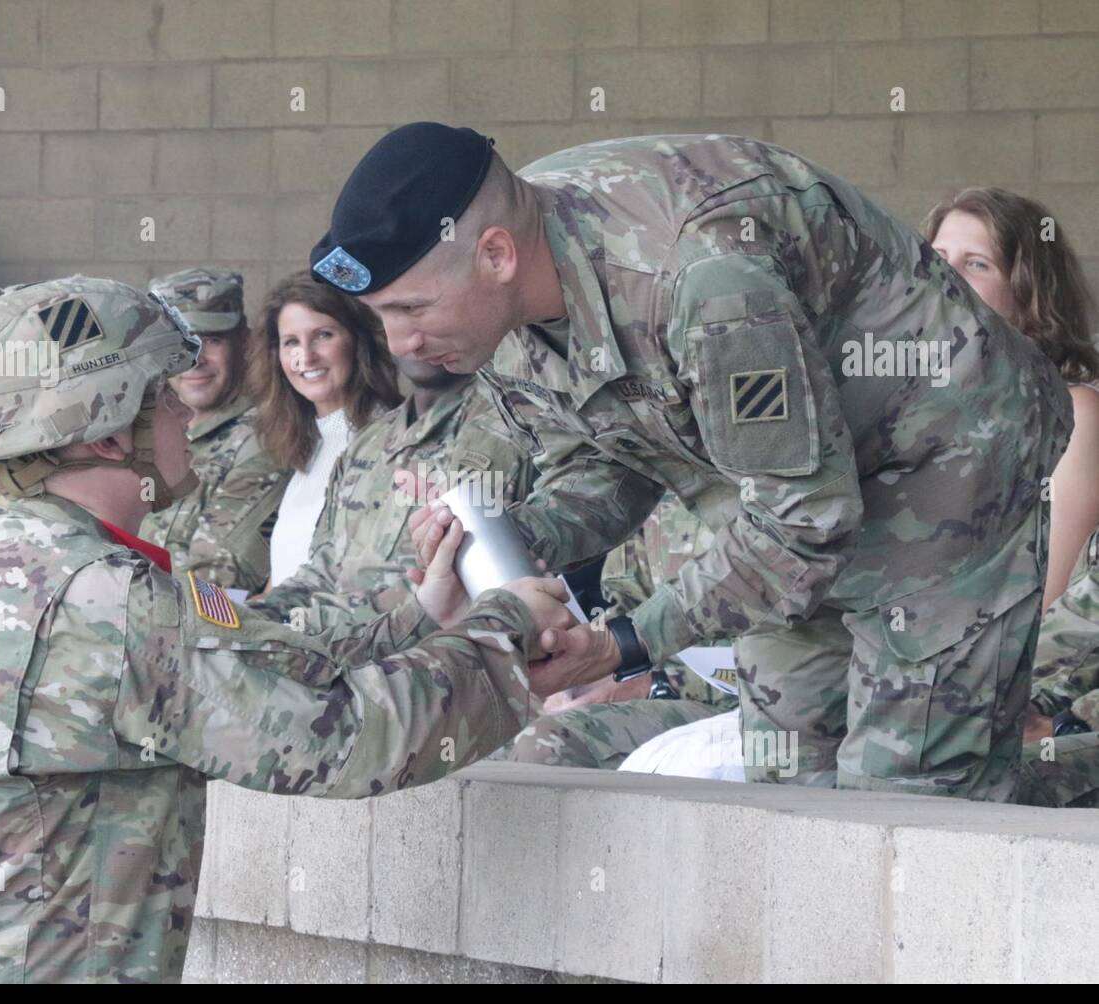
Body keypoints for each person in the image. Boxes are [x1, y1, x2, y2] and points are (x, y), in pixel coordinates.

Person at [312, 122, 1073, 801]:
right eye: (382, 316)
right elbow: (620, 464)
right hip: (794, 499)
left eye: (411, 309)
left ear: (496, 255)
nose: (400, 345)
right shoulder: (508, 303)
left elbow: (803, 526)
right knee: (787, 784)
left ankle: (1072, 785)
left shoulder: (704, 279)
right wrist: (506, 539)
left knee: (904, 804)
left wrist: (623, 644)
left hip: (948, 474)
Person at [0, 276, 574, 983]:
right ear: (114, 433)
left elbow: (246, 644)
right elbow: (344, 742)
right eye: (165, 396)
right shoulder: (102, 598)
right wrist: (505, 632)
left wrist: (424, 616)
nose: (185, 413)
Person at [252, 354, 541, 629]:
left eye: (424, 310)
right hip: (334, 644)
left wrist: (310, 627)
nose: (415, 336)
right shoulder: (367, 442)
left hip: (417, 658)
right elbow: (321, 567)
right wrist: (258, 620)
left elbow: (459, 586)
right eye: (398, 313)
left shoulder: (505, 428)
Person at [924, 188, 1099, 608]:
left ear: (1027, 294)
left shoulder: (1072, 413)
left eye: (977, 264)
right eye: (936, 258)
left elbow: (1045, 601)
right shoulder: (910, 404)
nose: (946, 276)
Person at [508, 493, 733, 768]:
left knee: (545, 744)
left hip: (757, 711)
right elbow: (623, 607)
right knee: (494, 722)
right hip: (663, 693)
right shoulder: (666, 498)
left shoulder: (779, 496)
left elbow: (784, 663)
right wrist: (581, 675)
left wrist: (656, 684)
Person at [139, 268, 288, 592]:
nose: (195, 359)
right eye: (179, 344)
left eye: (211, 340)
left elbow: (217, 586)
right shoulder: (146, 433)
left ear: (244, 342)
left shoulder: (265, 438)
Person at [249, 270, 401, 587]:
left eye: (323, 335)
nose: (306, 356)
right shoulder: (308, 443)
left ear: (358, 341)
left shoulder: (390, 439)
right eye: (291, 342)